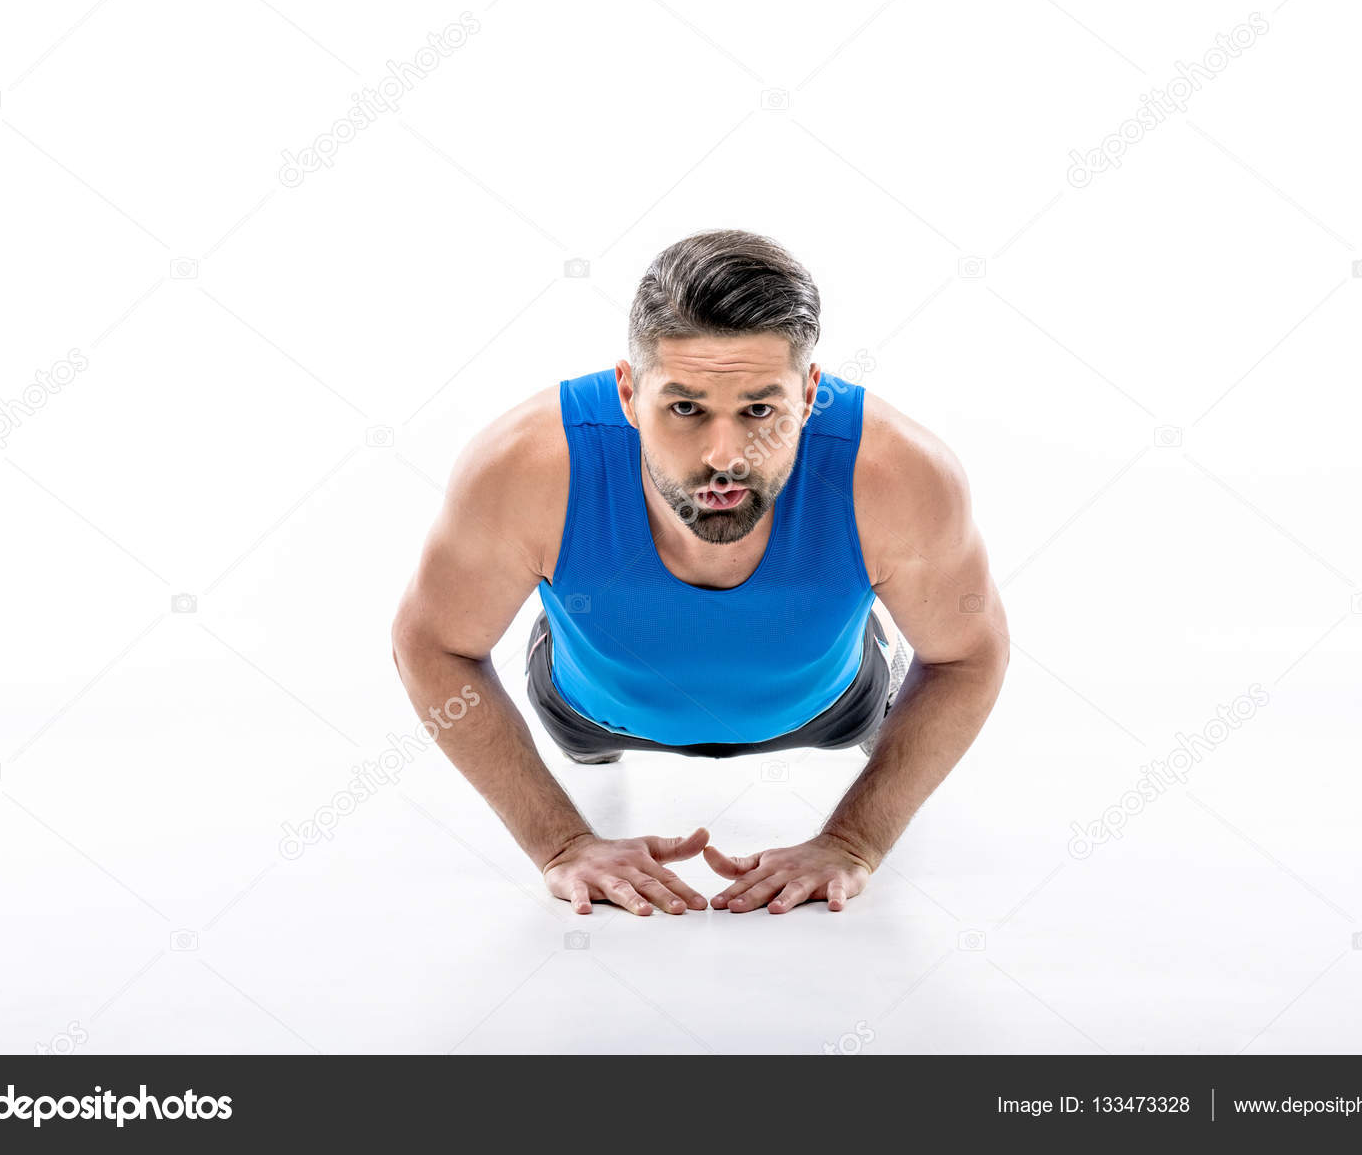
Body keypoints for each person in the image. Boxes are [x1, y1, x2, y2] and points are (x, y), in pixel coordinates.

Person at [391, 230, 1009, 915]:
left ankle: (872, 674)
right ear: (629, 393)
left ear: (809, 394)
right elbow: (434, 644)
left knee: (892, 701)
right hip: (588, 714)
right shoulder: (525, 466)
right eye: (685, 408)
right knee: (583, 739)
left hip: (835, 706)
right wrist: (560, 843)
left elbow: (965, 658)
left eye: (760, 410)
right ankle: (591, 720)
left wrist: (854, 840)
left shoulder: (899, 473)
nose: (725, 457)